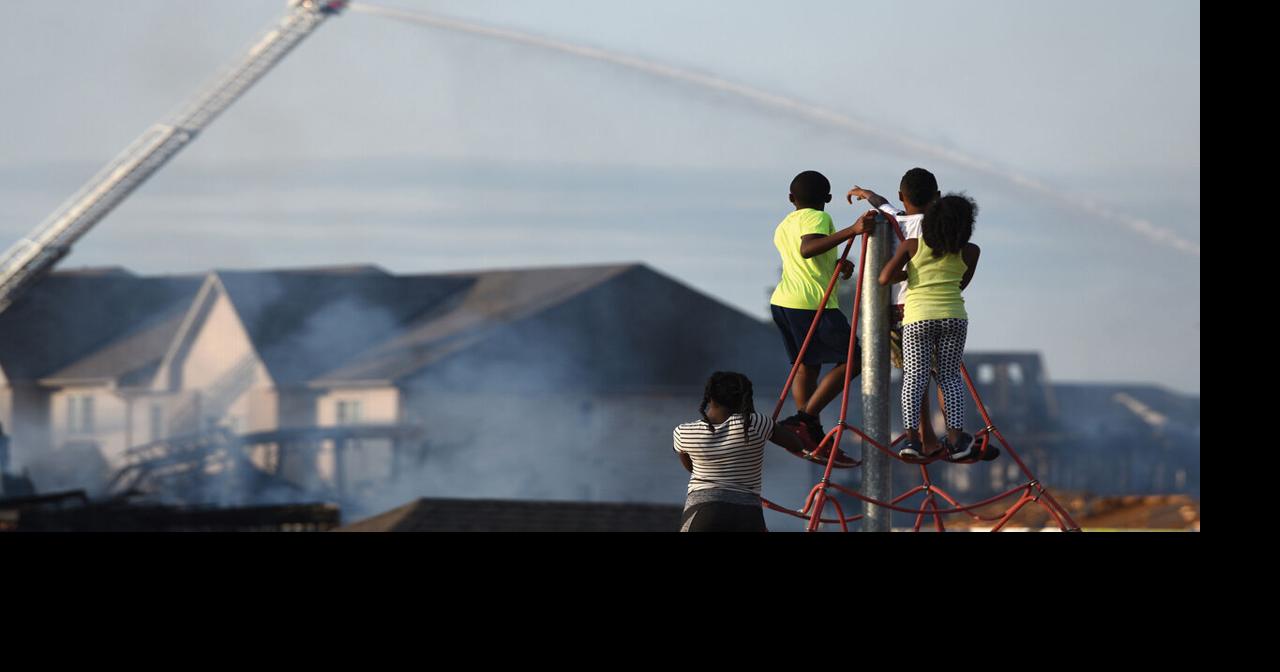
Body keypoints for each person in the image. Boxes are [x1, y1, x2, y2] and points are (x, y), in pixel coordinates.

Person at [769, 170, 878, 467]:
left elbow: (804, 260)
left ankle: (809, 432)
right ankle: (804, 420)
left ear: (791, 198)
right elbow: (808, 249)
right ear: (828, 198)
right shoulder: (818, 217)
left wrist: (836, 265)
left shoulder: (785, 224)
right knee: (856, 359)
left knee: (807, 365)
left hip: (784, 303)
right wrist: (853, 230)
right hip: (811, 305)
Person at [878, 193, 982, 461]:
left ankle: (912, 440)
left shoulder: (912, 245)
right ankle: (956, 440)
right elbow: (960, 284)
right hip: (954, 318)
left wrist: (911, 274)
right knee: (949, 378)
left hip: (918, 319)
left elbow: (885, 278)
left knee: (914, 378)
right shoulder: (971, 251)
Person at [673, 371, 807, 532]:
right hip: (748, 513)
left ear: (709, 397)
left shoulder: (683, 432)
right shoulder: (756, 423)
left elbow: (691, 468)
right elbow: (797, 445)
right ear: (744, 398)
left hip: (704, 511)